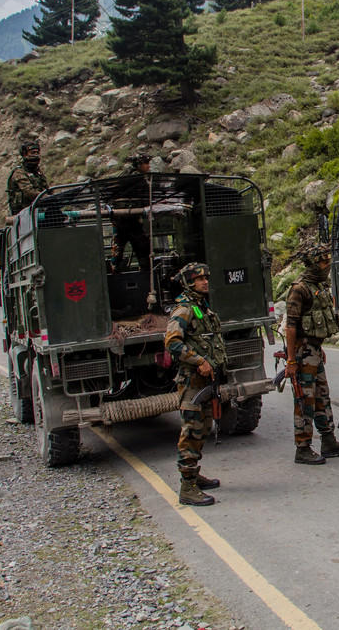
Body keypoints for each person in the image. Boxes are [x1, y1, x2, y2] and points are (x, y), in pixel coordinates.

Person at [285, 242, 339, 465]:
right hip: (303, 352)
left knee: (322, 396)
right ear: (313, 263)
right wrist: (291, 359)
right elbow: (291, 327)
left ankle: (328, 440)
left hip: (314, 350)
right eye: (323, 261)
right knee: (305, 400)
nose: (327, 265)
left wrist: (319, 347)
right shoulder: (300, 289)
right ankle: (303, 448)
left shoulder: (319, 285)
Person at [165, 262, 227, 506]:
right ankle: (187, 487)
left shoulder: (202, 308)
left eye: (206, 278)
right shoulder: (183, 310)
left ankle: (194, 475)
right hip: (192, 380)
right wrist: (199, 360)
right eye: (200, 279)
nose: (206, 282)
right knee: (191, 430)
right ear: (189, 283)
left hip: (206, 380)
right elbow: (172, 342)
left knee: (204, 427)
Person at [110, 153, 152, 274]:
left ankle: (118, 272)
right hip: (126, 220)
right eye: (146, 163)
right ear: (139, 164)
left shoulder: (126, 175)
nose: (149, 166)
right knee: (141, 248)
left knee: (122, 249)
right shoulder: (134, 178)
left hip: (126, 220)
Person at [7, 140, 49, 215]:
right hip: (23, 213)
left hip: (37, 209)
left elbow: (46, 188)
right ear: (24, 154)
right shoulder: (19, 173)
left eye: (37, 153)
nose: (36, 155)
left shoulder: (38, 172)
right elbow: (29, 192)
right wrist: (46, 198)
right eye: (33, 153)